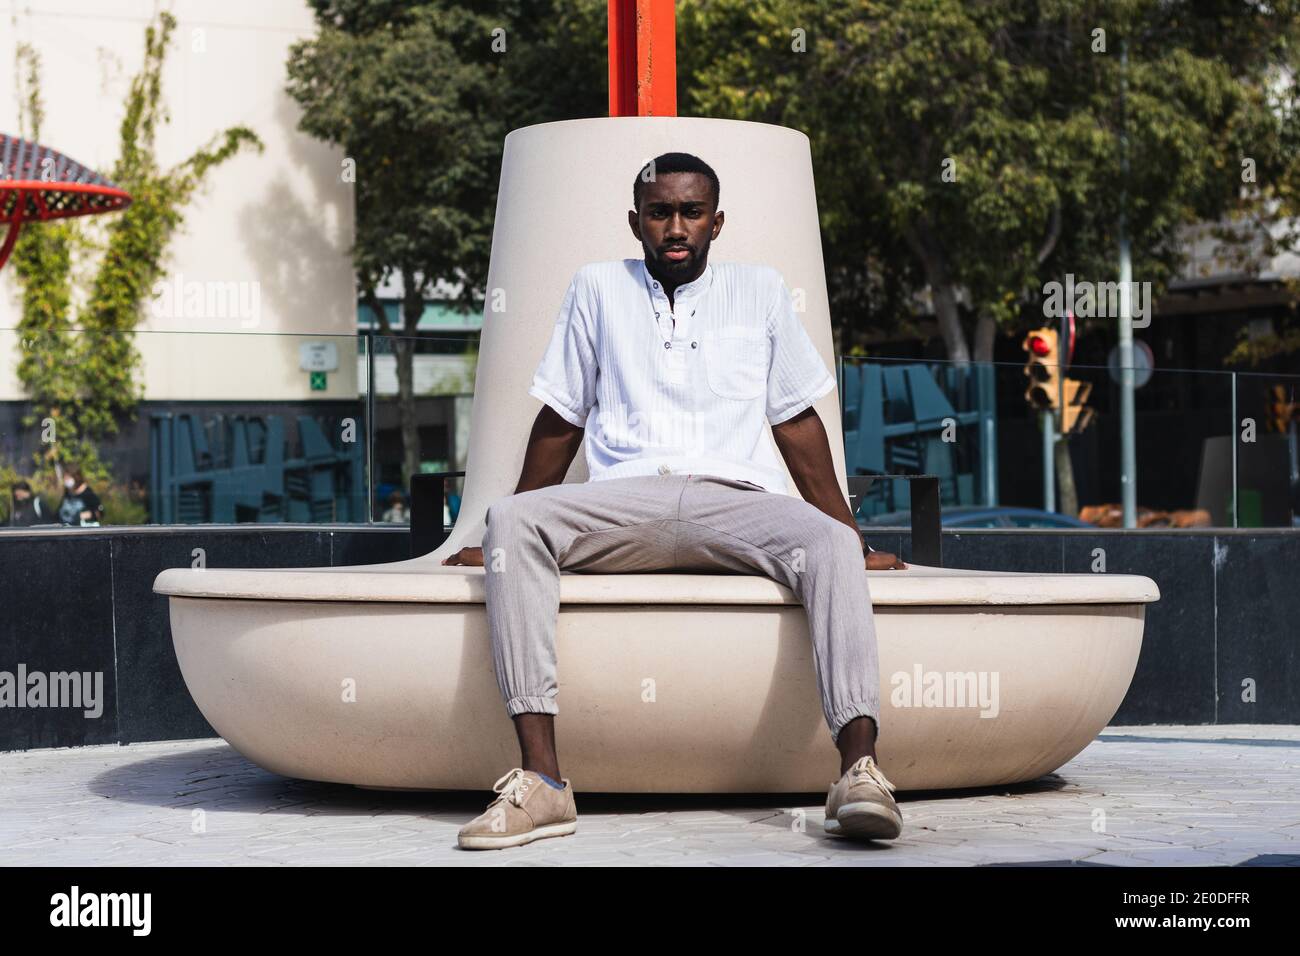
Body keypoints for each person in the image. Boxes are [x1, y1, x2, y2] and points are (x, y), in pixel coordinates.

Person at [443, 152, 906, 850]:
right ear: (637, 222)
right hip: (626, 498)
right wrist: (501, 531)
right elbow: (562, 417)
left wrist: (852, 536)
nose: (676, 226)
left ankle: (859, 772)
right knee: (512, 521)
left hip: (735, 498)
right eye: (660, 212)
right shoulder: (597, 287)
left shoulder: (761, 291)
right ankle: (543, 782)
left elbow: (796, 423)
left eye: (692, 212)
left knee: (832, 544)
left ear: (717, 220)